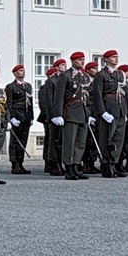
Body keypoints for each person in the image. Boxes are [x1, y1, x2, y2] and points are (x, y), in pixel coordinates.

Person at [40, 52, 92, 181]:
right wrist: (57, 114)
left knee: (80, 142)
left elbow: (88, 96)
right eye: (79, 60)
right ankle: (68, 168)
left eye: (83, 59)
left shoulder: (84, 76)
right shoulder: (65, 76)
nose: (82, 62)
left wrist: (90, 113)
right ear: (73, 61)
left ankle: (76, 166)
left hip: (83, 111)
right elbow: (59, 97)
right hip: (70, 112)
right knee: (69, 142)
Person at [92, 50, 126, 178]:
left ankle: (114, 163)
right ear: (106, 59)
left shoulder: (119, 74)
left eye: (117, 57)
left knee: (118, 139)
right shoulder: (101, 75)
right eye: (113, 57)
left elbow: (124, 93)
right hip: (108, 109)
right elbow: (97, 95)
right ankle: (106, 164)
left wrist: (125, 110)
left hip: (120, 109)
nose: (116, 59)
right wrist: (102, 112)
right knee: (107, 139)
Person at [5, 64, 35, 175]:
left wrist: (31, 117)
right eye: (20, 71)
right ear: (15, 73)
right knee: (15, 141)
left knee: (23, 140)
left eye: (23, 70)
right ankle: (14, 164)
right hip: (16, 115)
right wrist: (11, 118)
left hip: (26, 116)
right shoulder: (11, 87)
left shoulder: (28, 86)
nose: (22, 72)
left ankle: (21, 162)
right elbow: (9, 104)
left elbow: (30, 103)